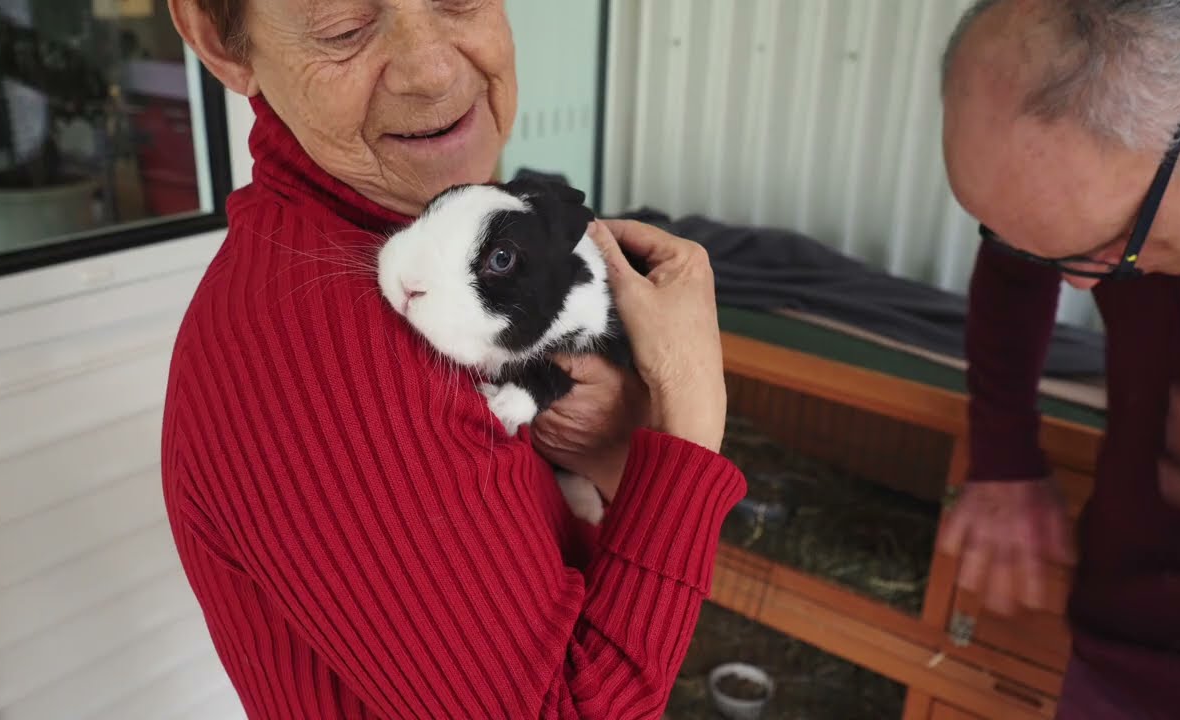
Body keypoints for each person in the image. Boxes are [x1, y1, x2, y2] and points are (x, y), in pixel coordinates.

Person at [161, 1, 746, 718]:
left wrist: (615, 455)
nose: (434, 72)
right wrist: (689, 408)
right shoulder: (326, 351)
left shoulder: (429, 225)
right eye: (344, 26)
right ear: (220, 41)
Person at [936, 1, 1180, 718]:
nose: (1078, 285)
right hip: (1117, 635)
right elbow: (1021, 261)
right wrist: (1004, 454)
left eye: (1112, 249)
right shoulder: (1078, 204)